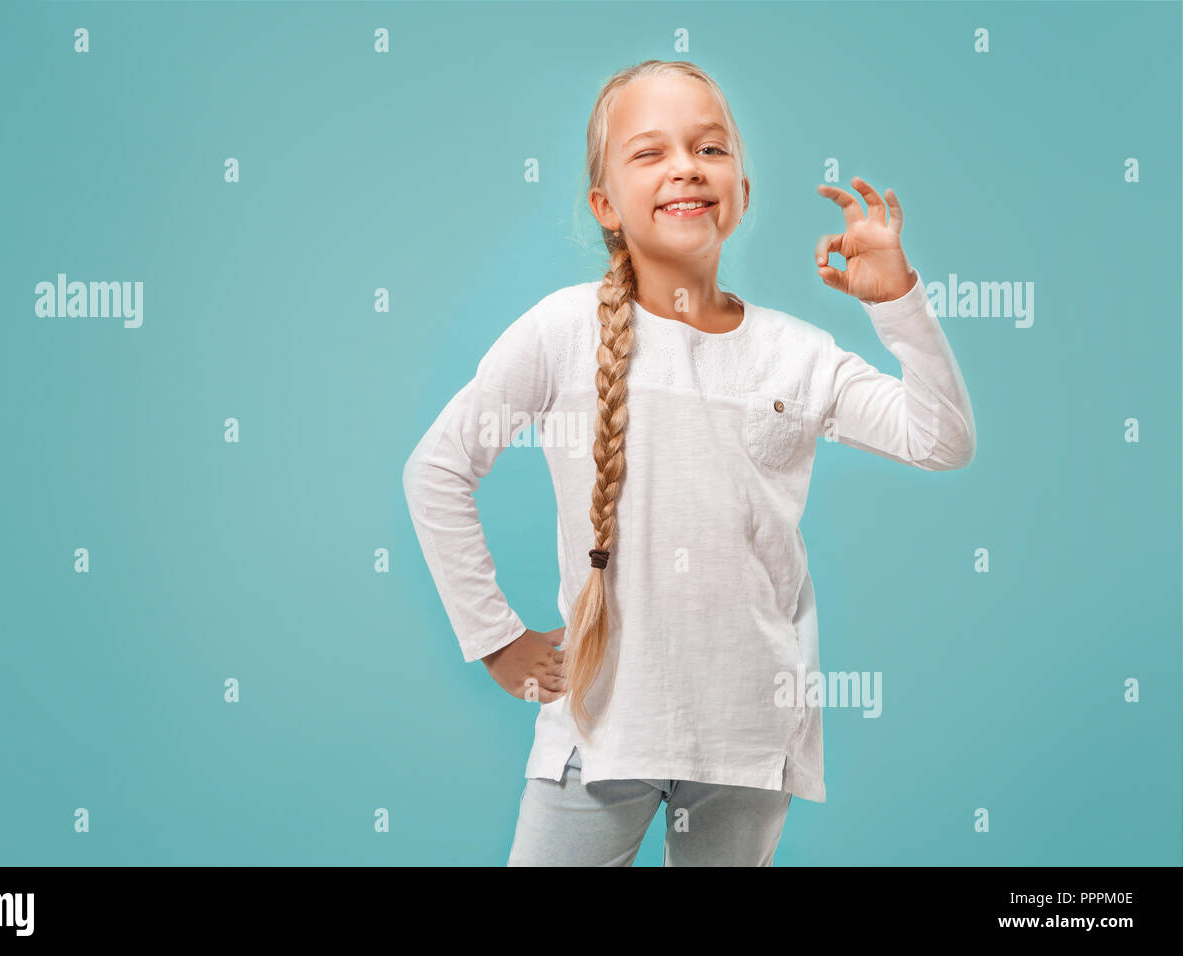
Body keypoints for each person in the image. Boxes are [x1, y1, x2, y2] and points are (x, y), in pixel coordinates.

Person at [402, 59, 977, 866]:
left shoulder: (798, 354)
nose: (686, 167)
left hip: (748, 739)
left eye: (710, 149)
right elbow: (437, 469)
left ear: (742, 191)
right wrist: (494, 638)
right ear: (606, 205)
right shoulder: (561, 331)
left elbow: (940, 439)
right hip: (601, 730)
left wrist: (897, 302)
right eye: (650, 152)